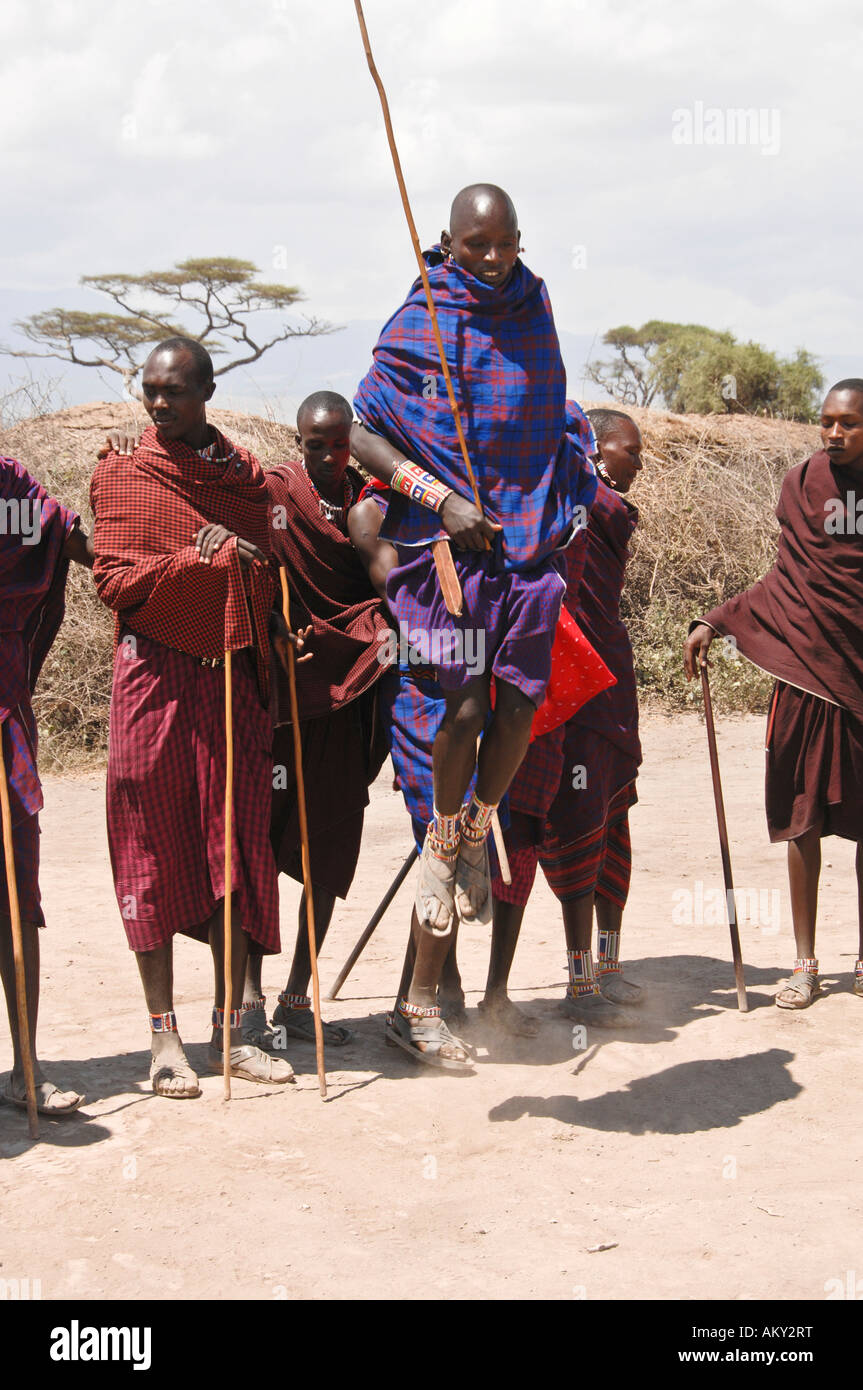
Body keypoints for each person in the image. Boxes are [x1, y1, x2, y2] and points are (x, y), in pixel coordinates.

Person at [352, 183, 596, 1061]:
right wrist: (442, 496)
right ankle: (422, 988)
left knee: (519, 707)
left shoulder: (534, 306)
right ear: (446, 244)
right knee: (459, 714)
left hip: (524, 551)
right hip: (450, 566)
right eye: (476, 246)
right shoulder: (420, 323)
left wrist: (545, 499)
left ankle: (463, 834)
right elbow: (361, 433)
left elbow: (541, 422)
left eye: (506, 244)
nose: (493, 260)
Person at [90, 336, 297, 1097]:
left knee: (233, 850)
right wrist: (192, 562)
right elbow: (114, 582)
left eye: (173, 391)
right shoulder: (123, 472)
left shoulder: (245, 483)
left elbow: (273, 573)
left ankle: (234, 1033)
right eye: (148, 390)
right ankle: (162, 1039)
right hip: (151, 681)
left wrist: (242, 554)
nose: (156, 403)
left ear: (207, 390)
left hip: (231, 677)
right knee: (147, 845)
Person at [685, 380, 863, 1010]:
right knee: (800, 819)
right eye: (827, 422)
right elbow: (787, 579)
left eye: (848, 424)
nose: (835, 434)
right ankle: (805, 964)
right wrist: (716, 619)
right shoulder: (801, 483)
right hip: (804, 675)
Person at [484, 408, 645, 1031]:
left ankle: (600, 969)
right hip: (553, 690)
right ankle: (534, 988)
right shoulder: (571, 501)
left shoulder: (598, 509)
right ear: (598, 451)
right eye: (631, 450)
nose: (639, 462)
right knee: (540, 832)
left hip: (603, 688)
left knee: (604, 823)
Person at [242, 391, 392, 1051]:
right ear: (297, 441)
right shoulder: (272, 492)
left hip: (349, 694)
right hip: (281, 697)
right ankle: (246, 1002)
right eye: (314, 444)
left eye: (338, 443)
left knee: (328, 849)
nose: (328, 456)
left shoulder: (370, 502)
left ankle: (300, 997)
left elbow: (398, 573)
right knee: (260, 844)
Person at [0, 457, 94, 1115]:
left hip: (4, 716)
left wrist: (132, 479)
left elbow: (81, 542)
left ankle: (25, 1064)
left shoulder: (14, 491)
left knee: (13, 890)